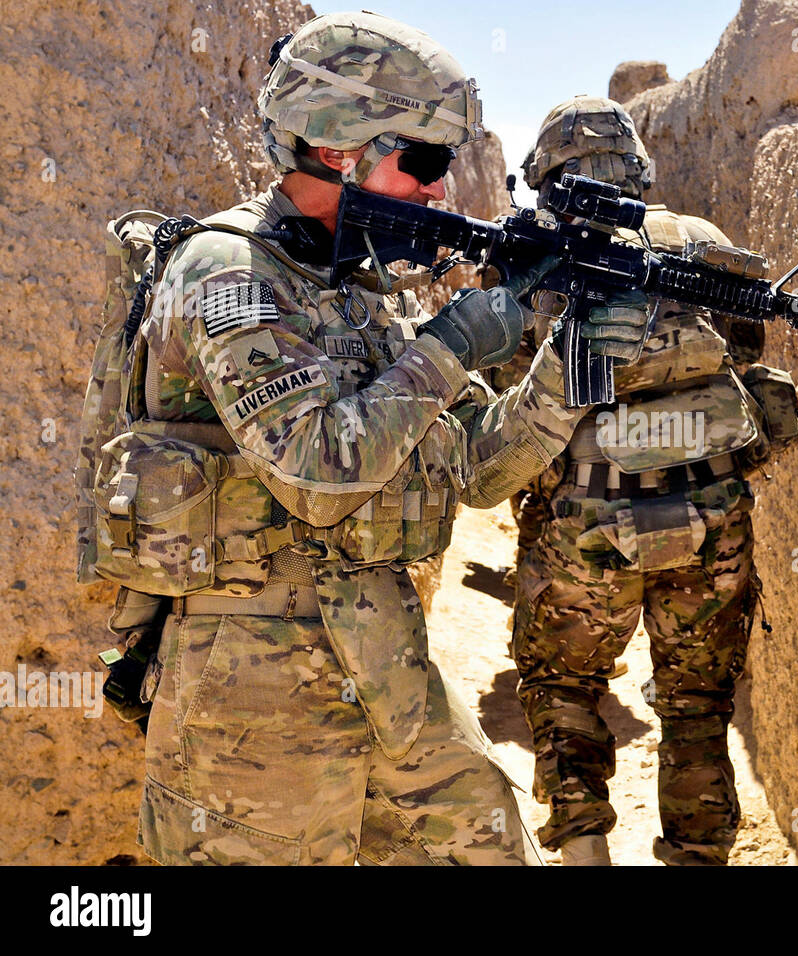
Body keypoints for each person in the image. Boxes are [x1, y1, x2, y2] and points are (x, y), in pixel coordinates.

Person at [97, 13, 647, 865]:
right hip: (253, 695)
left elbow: (475, 466)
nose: (437, 189)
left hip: (384, 668)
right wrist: (454, 344)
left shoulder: (357, 293)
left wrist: (571, 369)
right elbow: (316, 473)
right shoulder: (229, 272)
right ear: (337, 148)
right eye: (422, 162)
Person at [504, 96, 798, 865]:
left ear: (548, 179)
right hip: (711, 510)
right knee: (697, 707)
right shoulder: (699, 243)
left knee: (564, 692)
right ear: (637, 167)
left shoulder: (531, 261)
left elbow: (507, 397)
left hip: (585, 519)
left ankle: (584, 856)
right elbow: (746, 342)